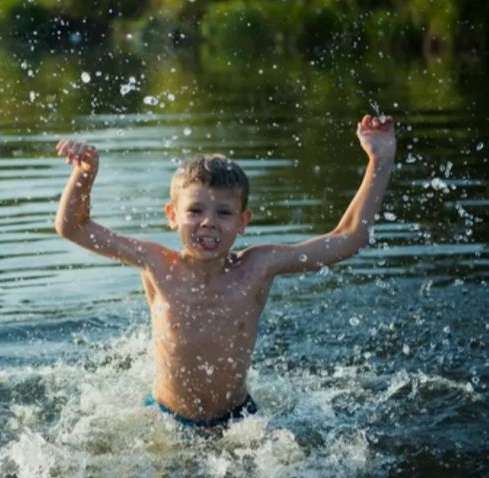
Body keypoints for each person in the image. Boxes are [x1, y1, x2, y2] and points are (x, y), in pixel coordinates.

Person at [54, 115, 397, 432]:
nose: (208, 222)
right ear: (172, 215)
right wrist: (84, 174)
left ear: (242, 222)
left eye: (223, 212)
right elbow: (72, 227)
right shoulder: (157, 264)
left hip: (238, 422)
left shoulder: (258, 267)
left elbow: (348, 238)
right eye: (195, 210)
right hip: (165, 418)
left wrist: (379, 161)